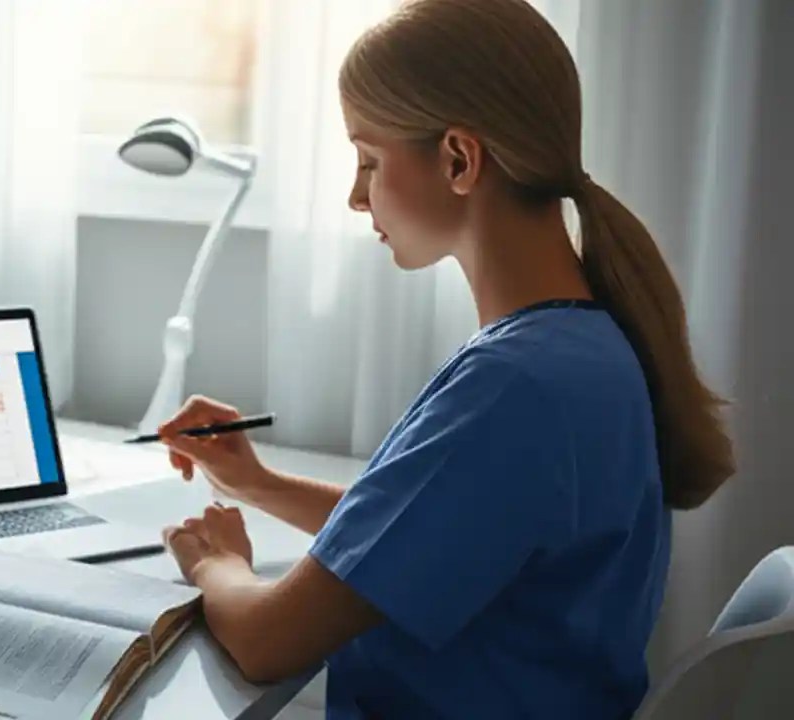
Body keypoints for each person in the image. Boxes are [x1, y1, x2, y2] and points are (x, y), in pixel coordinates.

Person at [156, 0, 735, 717]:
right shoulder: (583, 350)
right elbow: (428, 535)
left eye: (369, 160)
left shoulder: (515, 386)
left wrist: (215, 564)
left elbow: (268, 640)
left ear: (460, 159)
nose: (355, 196)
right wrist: (258, 483)